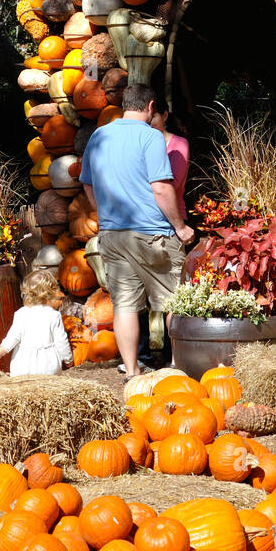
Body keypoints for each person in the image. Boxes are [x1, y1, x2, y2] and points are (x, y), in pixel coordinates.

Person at [79, 83, 194, 378]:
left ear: (123, 105)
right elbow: (160, 187)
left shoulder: (99, 135)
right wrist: (180, 227)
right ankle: (177, 368)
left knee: (126, 305)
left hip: (113, 236)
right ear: (151, 106)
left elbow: (87, 183)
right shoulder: (151, 137)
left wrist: (102, 215)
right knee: (174, 301)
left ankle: (132, 372)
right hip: (153, 234)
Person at [136, 105, 191, 367]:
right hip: (140, 225)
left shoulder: (177, 144)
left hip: (170, 223)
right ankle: (142, 356)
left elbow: (173, 183)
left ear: (164, 116)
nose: (148, 121)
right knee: (138, 297)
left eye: (153, 117)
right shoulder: (140, 142)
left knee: (171, 295)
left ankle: (173, 358)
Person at [0, 270, 73, 376]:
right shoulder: (53, 315)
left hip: (23, 366)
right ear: (51, 291)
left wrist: (0, 352)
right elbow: (61, 341)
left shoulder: (21, 314)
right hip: (48, 367)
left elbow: (13, 337)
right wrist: (68, 359)